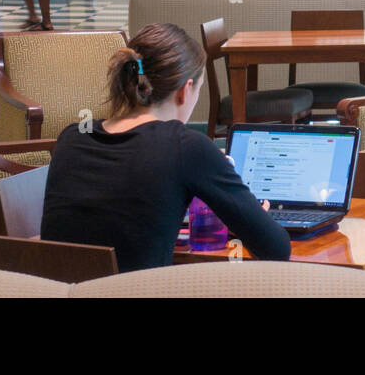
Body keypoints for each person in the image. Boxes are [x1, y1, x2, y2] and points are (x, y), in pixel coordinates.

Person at [40, 23, 291, 272]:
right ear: (185, 90)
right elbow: (276, 249)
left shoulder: (72, 137)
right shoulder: (186, 147)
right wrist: (243, 214)